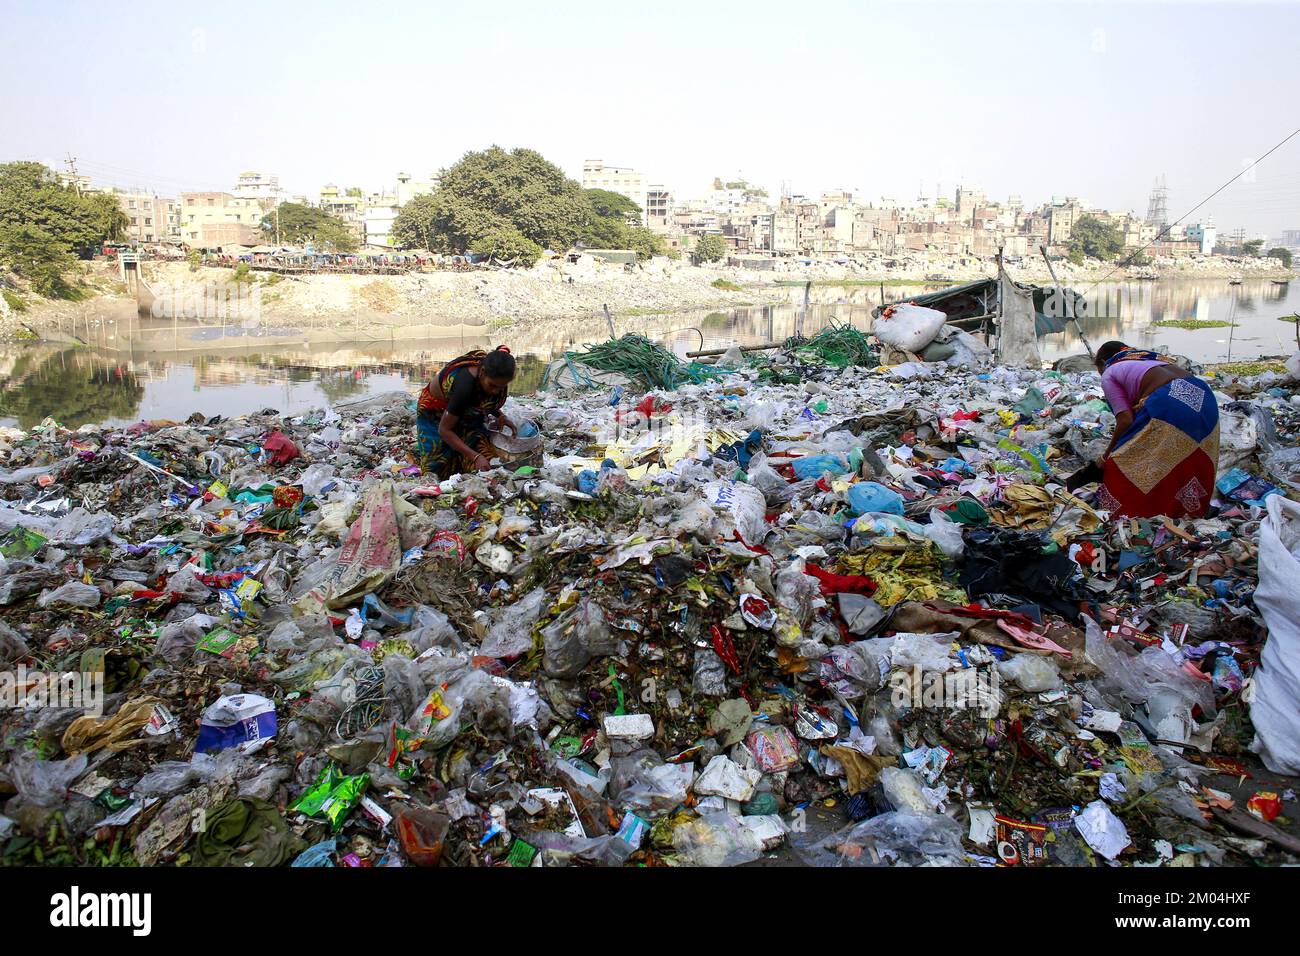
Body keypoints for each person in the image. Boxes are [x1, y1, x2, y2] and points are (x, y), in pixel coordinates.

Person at [1092, 340, 1219, 518]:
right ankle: (1187, 511)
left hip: (1168, 399)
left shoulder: (1109, 372)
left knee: (1121, 462)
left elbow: (1125, 420)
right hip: (1203, 394)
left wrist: (1106, 456)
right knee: (1191, 457)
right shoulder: (1149, 359)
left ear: (1102, 363)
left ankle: (1131, 513)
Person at [414, 346, 517, 478]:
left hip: (464, 411)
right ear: (482, 372)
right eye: (492, 386)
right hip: (436, 412)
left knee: (483, 455)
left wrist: (501, 415)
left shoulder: (493, 379)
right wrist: (475, 457)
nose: (496, 391)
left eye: (501, 387)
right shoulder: (464, 385)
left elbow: (484, 400)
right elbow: (444, 430)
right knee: (437, 470)